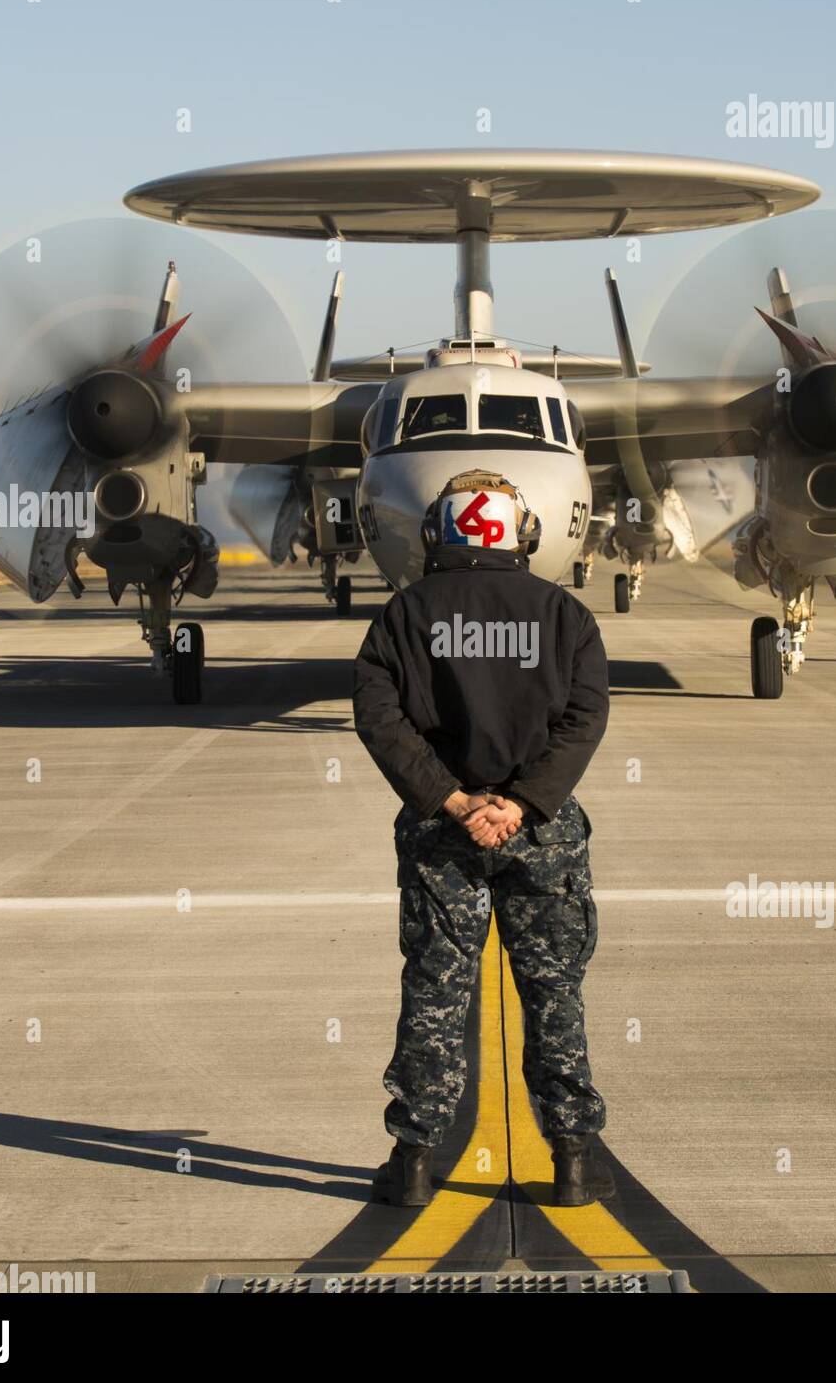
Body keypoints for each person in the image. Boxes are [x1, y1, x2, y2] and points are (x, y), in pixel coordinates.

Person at [353, 470, 613, 1209]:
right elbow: (584, 719)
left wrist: (452, 798)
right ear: (520, 533)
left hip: (442, 833)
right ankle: (570, 1160)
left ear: (438, 533)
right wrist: (523, 804)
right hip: (542, 835)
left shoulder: (404, 616)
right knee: (552, 991)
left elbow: (378, 717)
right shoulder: (566, 616)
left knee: (436, 989)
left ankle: (410, 1162)